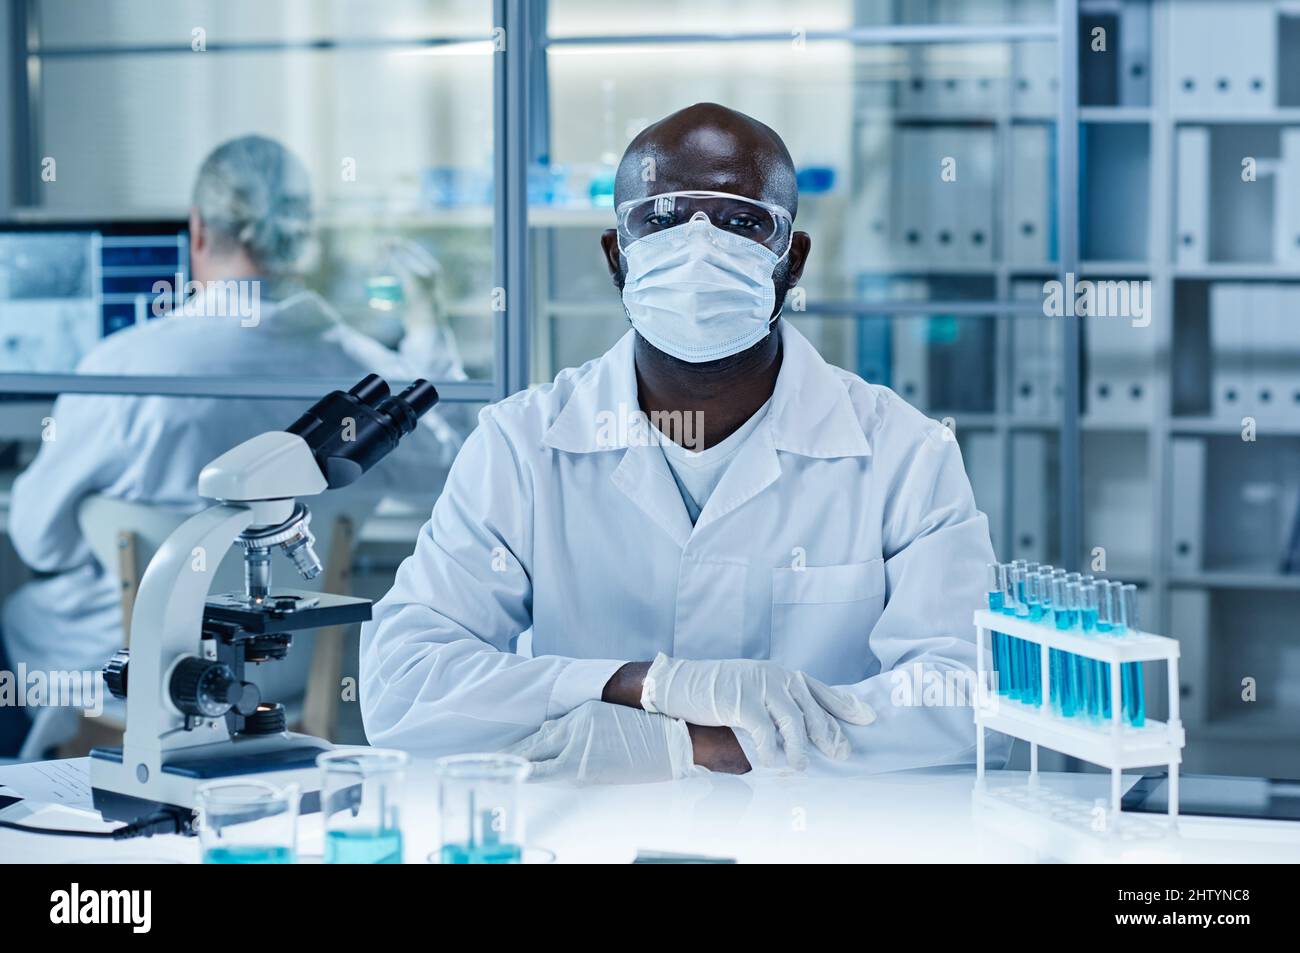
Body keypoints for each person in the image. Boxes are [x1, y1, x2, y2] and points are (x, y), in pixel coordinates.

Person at [361, 103, 1009, 781]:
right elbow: (403, 683)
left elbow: (966, 695)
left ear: (794, 259)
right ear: (618, 254)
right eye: (663, 218)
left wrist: (690, 747)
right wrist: (638, 683)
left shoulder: (904, 453)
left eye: (741, 221)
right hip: (590, 836)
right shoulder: (522, 446)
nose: (701, 247)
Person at [0, 135, 464, 757]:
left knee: (21, 612)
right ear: (304, 239)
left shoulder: (123, 366)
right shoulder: (358, 372)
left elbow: (38, 540)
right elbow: (455, 469)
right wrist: (429, 328)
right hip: (293, 671)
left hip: (128, 668)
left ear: (197, 233)